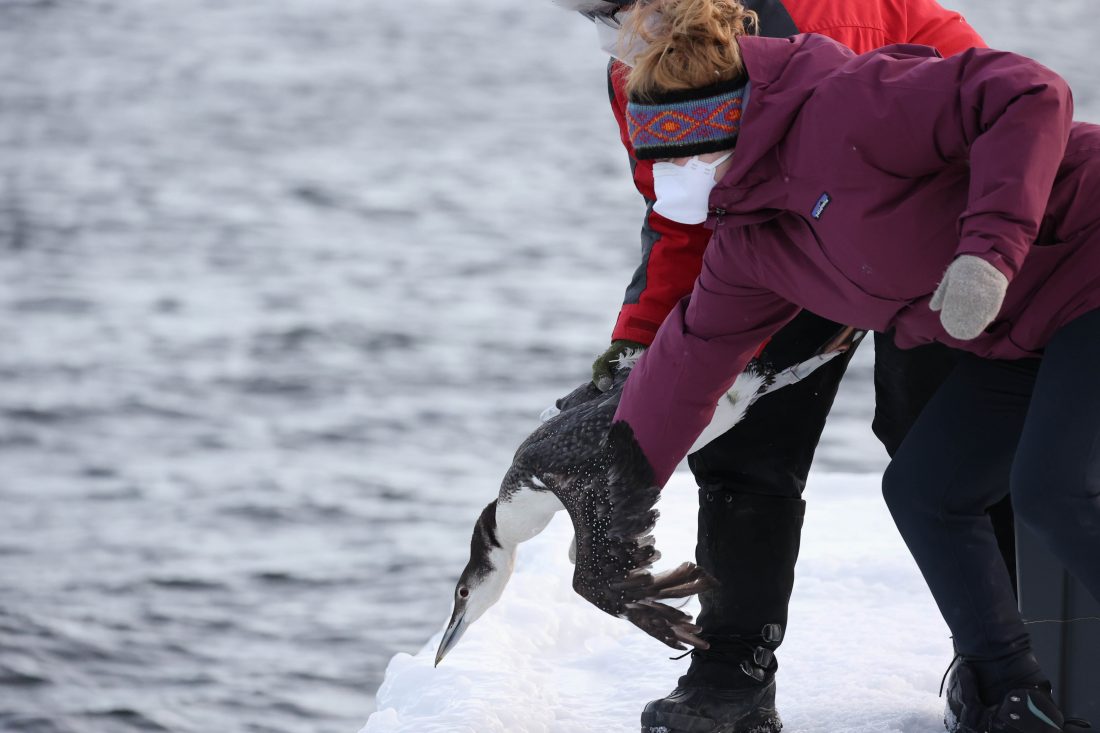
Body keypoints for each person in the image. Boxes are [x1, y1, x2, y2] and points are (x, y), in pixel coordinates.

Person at [595, 0, 1100, 730]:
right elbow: (690, 359)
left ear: (722, 135)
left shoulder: (852, 105)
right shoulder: (753, 243)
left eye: (681, 161)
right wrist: (616, 495)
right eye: (657, 165)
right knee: (928, 490)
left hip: (1083, 267)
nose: (671, 185)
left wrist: (989, 250)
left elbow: (1029, 93)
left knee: (1051, 489)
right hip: (1014, 331)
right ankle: (1011, 696)